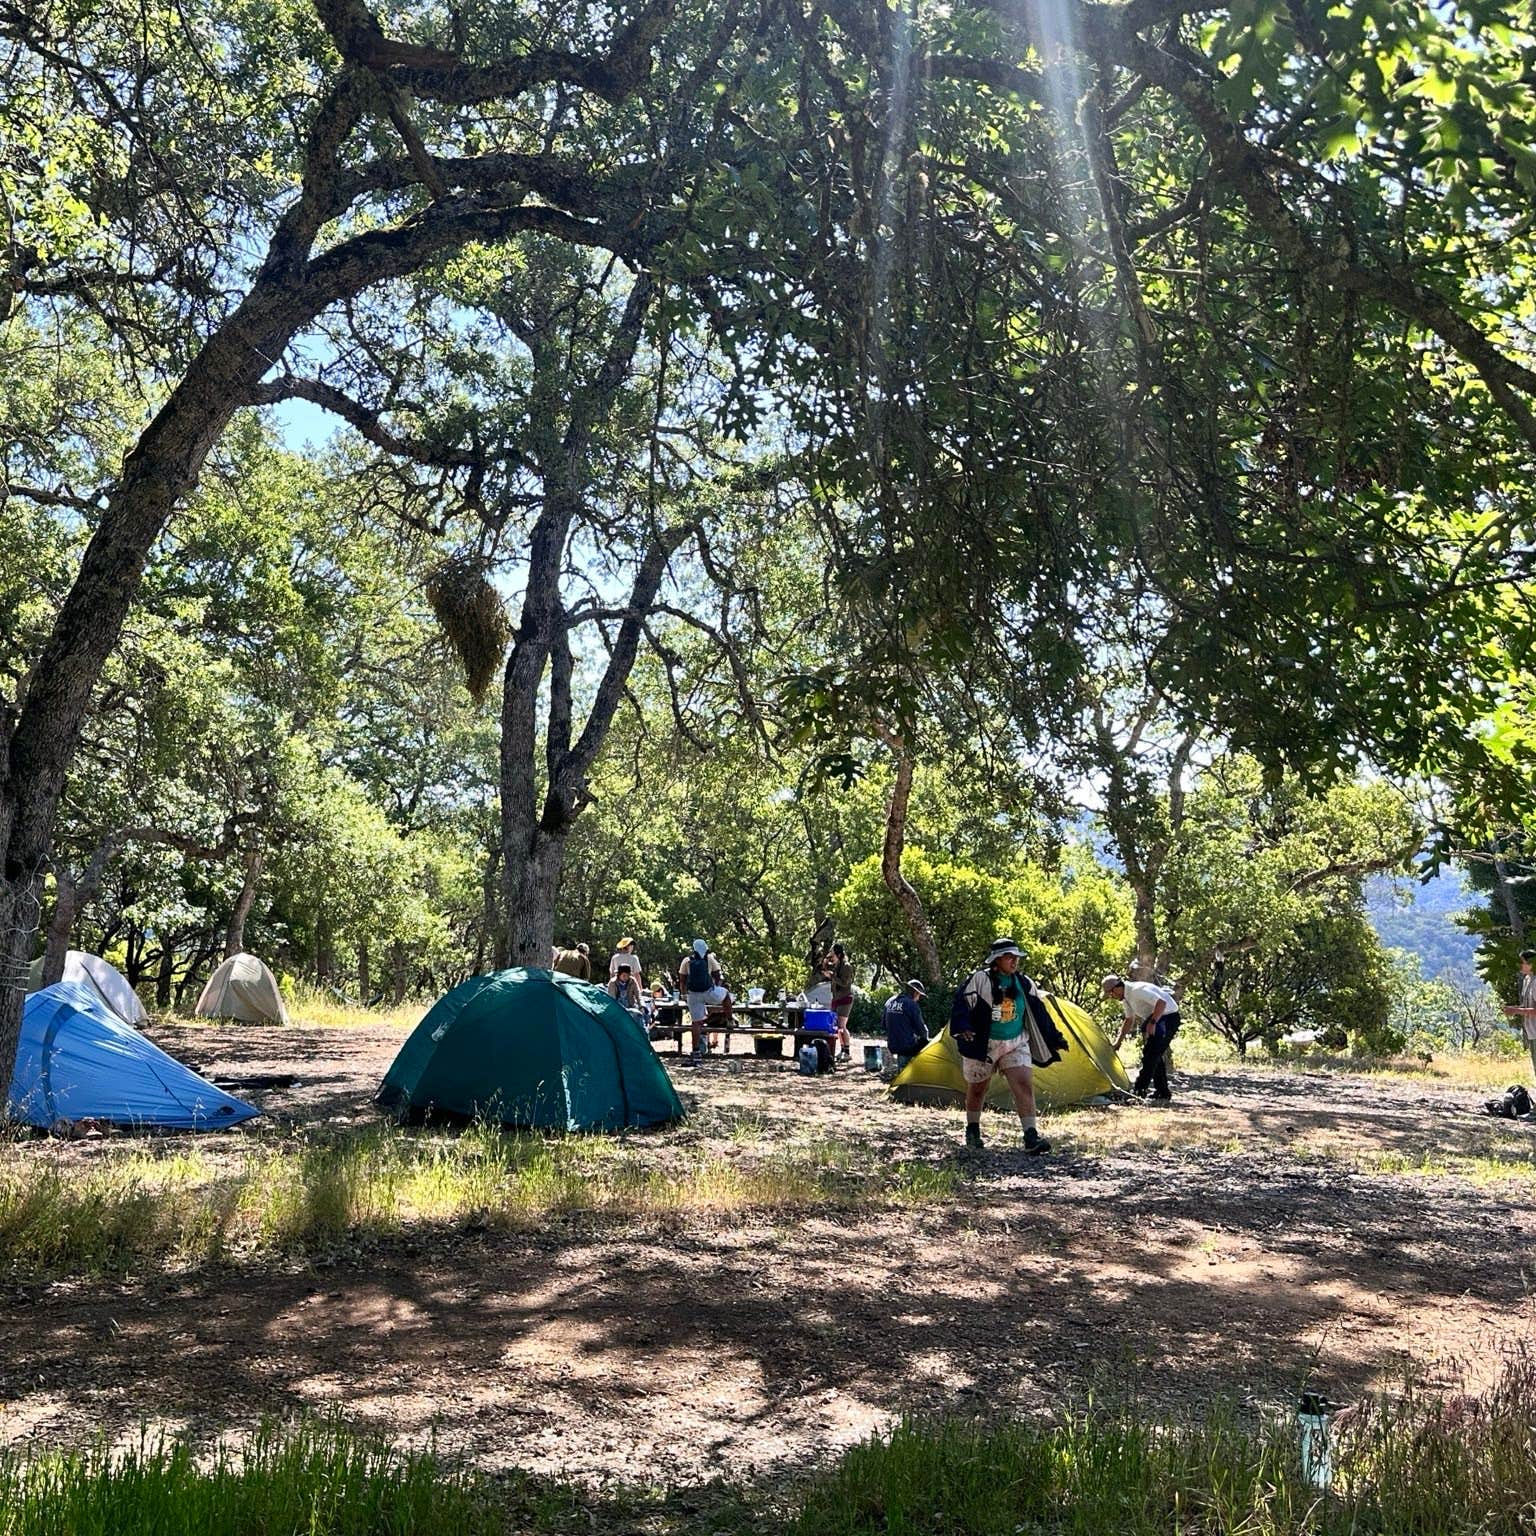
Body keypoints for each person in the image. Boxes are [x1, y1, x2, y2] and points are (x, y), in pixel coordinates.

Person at [951, 938, 1065, 1153]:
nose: (1014, 961)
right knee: (977, 1090)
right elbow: (961, 1004)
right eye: (1009, 957)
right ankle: (973, 1130)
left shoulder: (1024, 983)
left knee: (1023, 1084)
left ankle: (1031, 1136)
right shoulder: (979, 979)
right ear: (996, 960)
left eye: (1016, 957)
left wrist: (1053, 1037)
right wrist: (963, 1027)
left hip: (1015, 1041)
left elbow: (1039, 1012)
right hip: (983, 1044)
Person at [1102, 973, 1182, 1101]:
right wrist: (1119, 1041)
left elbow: (1161, 1003)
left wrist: (1153, 1023)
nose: (1112, 997)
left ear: (1117, 988)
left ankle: (1139, 1090)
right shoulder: (1126, 998)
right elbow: (1129, 1020)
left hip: (1168, 1018)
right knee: (1154, 1055)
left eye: (1111, 993)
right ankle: (1162, 1092)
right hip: (1157, 1018)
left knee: (1150, 1055)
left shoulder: (1137, 991)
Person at [678, 938, 727, 1063]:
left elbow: (682, 979)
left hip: (693, 994)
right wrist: (716, 987)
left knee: (696, 1023)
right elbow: (718, 975)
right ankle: (730, 1019)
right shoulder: (710, 958)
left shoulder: (687, 961)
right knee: (726, 996)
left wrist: (684, 994)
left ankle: (696, 1051)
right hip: (707, 991)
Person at [1502, 948, 1536, 1083]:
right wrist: (1514, 1009)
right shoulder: (1527, 980)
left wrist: (1517, 1011)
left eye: (1522, 962)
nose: (1520, 965)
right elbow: (1527, 1005)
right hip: (1531, 1031)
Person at [883, 978, 929, 1070]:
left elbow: (884, 1024)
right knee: (926, 1043)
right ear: (916, 993)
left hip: (893, 1044)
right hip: (907, 1047)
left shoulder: (890, 1001)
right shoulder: (911, 1004)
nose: (918, 998)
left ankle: (902, 1071)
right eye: (919, 996)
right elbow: (921, 1030)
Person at [830, 943, 856, 1062]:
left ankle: (847, 1051)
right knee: (836, 1027)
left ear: (839, 955)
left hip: (845, 999)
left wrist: (833, 977)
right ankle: (842, 1050)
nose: (832, 957)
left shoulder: (847, 966)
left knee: (842, 1026)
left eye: (833, 955)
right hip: (836, 998)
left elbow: (845, 983)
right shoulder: (836, 966)